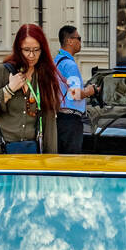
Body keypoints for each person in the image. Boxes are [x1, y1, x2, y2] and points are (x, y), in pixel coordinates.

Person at [0, 24, 60, 153]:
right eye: (26, 50)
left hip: (28, 151)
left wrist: (50, 159)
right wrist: (8, 90)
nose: (31, 55)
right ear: (18, 49)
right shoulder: (2, 71)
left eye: (36, 50)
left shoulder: (44, 77)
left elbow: (49, 122)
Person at [54, 25, 96, 154]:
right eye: (79, 38)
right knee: (72, 160)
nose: (80, 42)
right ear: (70, 41)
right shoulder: (70, 65)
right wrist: (90, 91)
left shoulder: (56, 61)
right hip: (70, 121)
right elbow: (75, 94)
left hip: (59, 118)